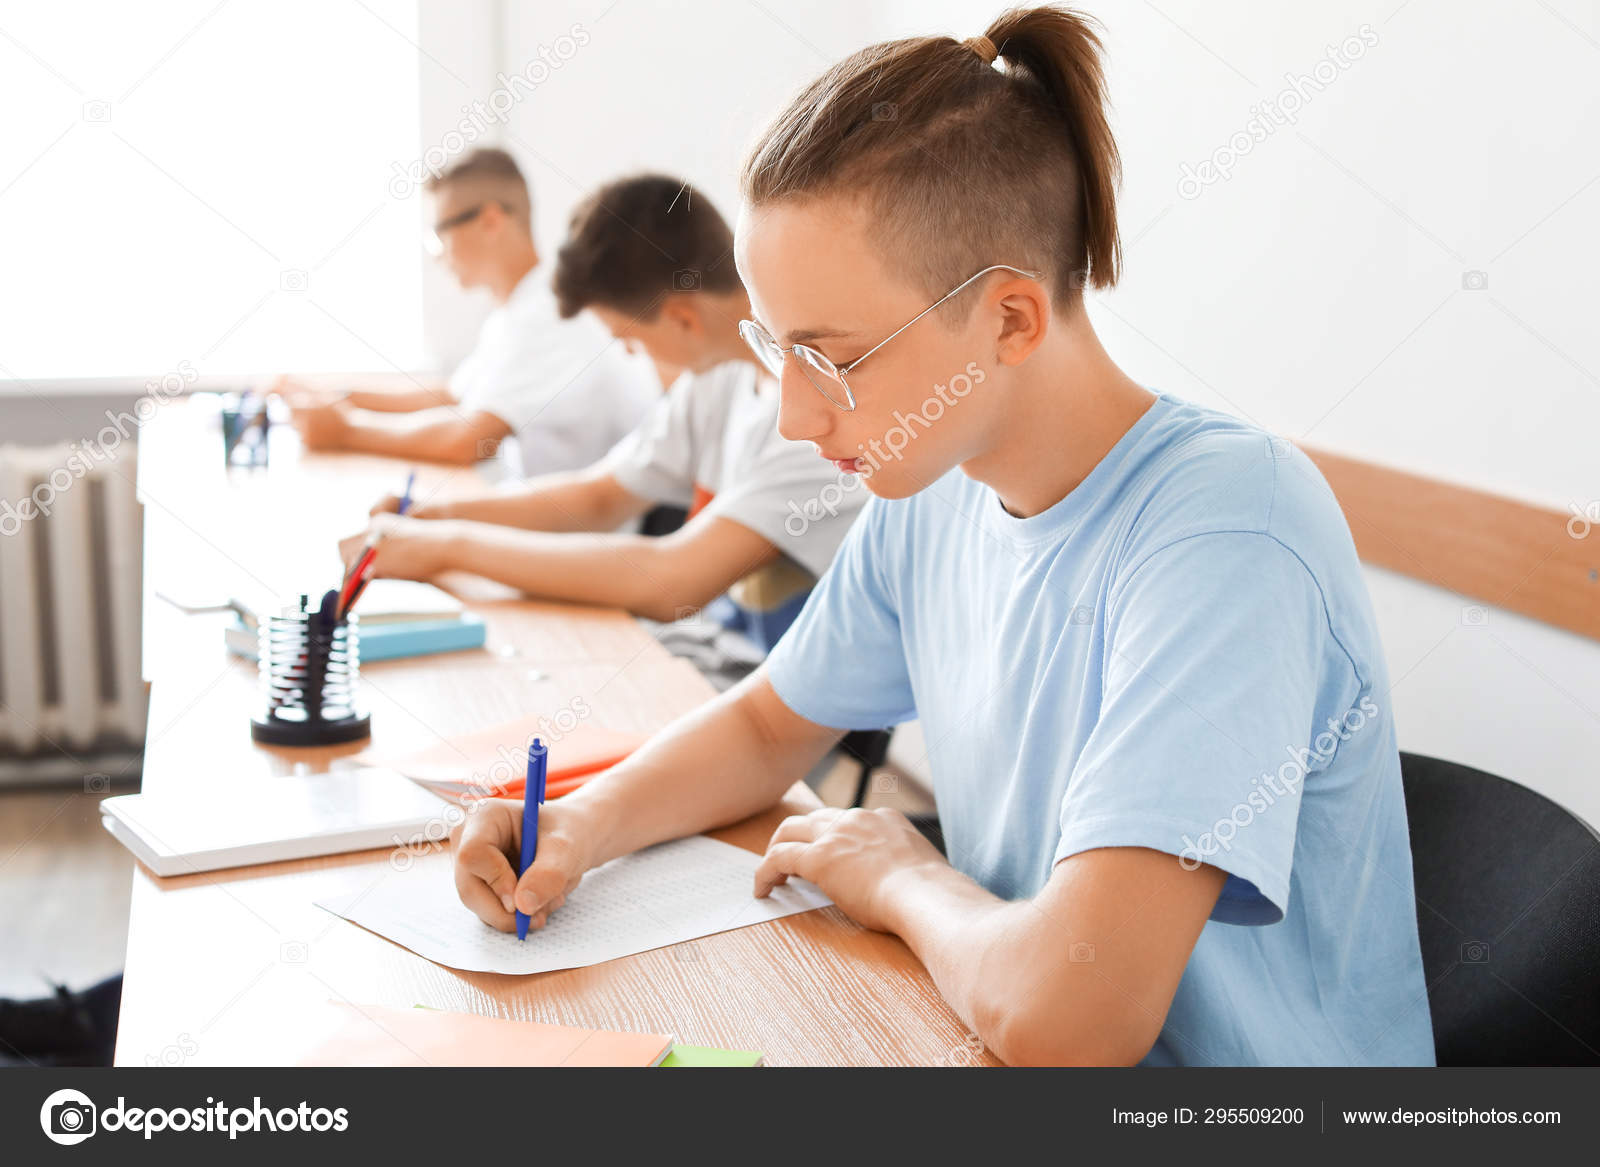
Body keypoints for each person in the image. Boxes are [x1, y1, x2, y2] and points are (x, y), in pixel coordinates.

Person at [450, 6, 1435, 1067]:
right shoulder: (933, 489)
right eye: (772, 347)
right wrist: (578, 827)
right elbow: (768, 730)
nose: (791, 414)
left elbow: (1072, 1018)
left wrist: (902, 875)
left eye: (831, 359)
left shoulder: (1229, 531)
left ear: (1009, 319)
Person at [338, 175, 866, 640]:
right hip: (708, 654)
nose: (632, 356)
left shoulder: (818, 427)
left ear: (682, 318)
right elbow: (600, 495)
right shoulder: (717, 382)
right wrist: (432, 516)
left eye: (629, 340)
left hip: (775, 702)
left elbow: (670, 582)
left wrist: (448, 546)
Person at [278, 148, 658, 475]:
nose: (439, 253)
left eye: (439, 232)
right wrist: (334, 396)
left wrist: (345, 431)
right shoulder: (514, 312)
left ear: (490, 220)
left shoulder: (551, 313)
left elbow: (469, 441)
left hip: (585, 538)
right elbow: (453, 396)